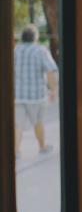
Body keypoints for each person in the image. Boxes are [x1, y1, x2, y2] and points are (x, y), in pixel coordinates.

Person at [14, 24, 58, 159]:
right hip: (36, 96)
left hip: (17, 95)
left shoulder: (15, 50)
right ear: (36, 37)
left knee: (17, 124)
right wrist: (53, 90)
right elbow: (50, 71)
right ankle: (42, 147)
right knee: (38, 122)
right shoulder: (41, 51)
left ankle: (15, 151)